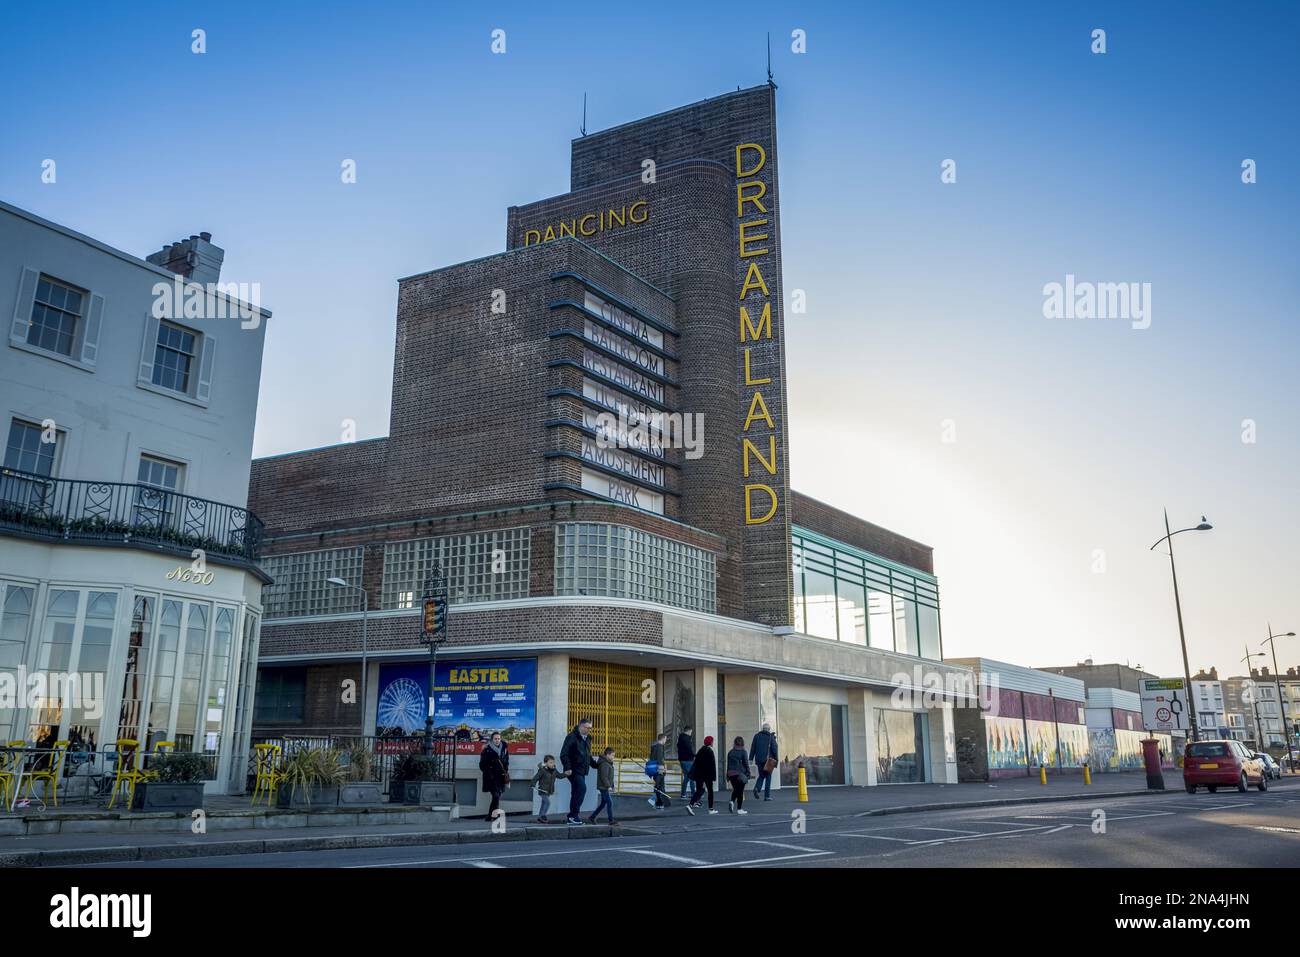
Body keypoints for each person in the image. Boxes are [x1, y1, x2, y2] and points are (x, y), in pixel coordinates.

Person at [560, 718, 599, 825]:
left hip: (582, 770)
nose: (589, 730)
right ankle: (573, 815)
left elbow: (588, 755)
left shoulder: (588, 738)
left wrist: (596, 765)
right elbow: (564, 754)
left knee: (576, 791)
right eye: (587, 728)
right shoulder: (571, 737)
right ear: (581, 726)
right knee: (581, 788)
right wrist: (568, 768)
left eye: (590, 728)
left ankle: (572, 817)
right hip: (573, 770)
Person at [478, 731, 510, 818]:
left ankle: (490, 815)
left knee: (497, 796)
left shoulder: (504, 748)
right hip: (491, 777)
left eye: (499, 738)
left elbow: (506, 761)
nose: (497, 740)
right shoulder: (487, 749)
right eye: (495, 739)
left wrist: (506, 770)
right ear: (492, 740)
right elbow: (481, 765)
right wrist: (488, 771)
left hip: (501, 776)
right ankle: (494, 815)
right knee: (496, 796)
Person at [687, 735, 718, 814]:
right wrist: (713, 777)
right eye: (712, 741)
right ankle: (711, 809)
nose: (713, 743)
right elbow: (712, 765)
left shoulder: (700, 750)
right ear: (710, 742)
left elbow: (697, 763)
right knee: (710, 791)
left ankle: (690, 805)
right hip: (707, 775)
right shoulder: (710, 751)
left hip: (698, 774)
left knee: (698, 790)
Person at [588, 746, 617, 824]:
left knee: (603, 804)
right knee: (609, 802)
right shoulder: (604, 764)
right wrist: (609, 786)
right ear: (607, 755)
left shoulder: (608, 763)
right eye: (612, 755)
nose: (613, 757)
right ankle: (611, 820)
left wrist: (612, 786)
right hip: (603, 787)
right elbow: (604, 777)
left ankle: (592, 817)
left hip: (605, 786)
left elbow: (610, 776)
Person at [749, 722, 778, 801]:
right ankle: (767, 796)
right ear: (768, 730)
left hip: (759, 760)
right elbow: (774, 749)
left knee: (762, 775)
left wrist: (751, 759)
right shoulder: (770, 737)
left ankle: (757, 788)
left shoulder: (756, 736)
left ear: (762, 729)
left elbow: (753, 748)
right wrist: (776, 760)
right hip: (768, 760)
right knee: (768, 776)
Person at [531, 754, 562, 823]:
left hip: (549, 790)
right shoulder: (542, 770)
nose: (552, 764)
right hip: (542, 790)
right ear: (545, 763)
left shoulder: (554, 770)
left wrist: (566, 774)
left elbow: (559, 776)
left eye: (553, 762)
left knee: (544, 803)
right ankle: (543, 815)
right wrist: (532, 784)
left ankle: (540, 817)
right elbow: (535, 778)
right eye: (550, 762)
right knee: (547, 803)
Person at [726, 736, 750, 814]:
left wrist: (727, 775)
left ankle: (732, 802)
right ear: (742, 743)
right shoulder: (743, 752)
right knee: (740, 791)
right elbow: (746, 763)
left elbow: (728, 764)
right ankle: (739, 809)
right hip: (739, 773)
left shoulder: (730, 752)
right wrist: (748, 773)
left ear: (734, 743)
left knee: (736, 789)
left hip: (731, 773)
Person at [647, 732, 671, 809]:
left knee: (659, 786)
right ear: (663, 738)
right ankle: (658, 803)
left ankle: (658, 803)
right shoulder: (660, 747)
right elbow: (660, 759)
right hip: (659, 769)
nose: (665, 741)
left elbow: (652, 758)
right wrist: (663, 769)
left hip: (654, 769)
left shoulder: (653, 746)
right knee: (660, 786)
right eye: (665, 739)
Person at [676, 725, 696, 802]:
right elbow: (689, 749)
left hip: (682, 760)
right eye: (691, 732)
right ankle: (694, 794)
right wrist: (694, 755)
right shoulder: (687, 738)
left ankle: (683, 794)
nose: (691, 733)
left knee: (687, 777)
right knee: (691, 777)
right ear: (688, 731)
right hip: (688, 760)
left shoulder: (680, 738)